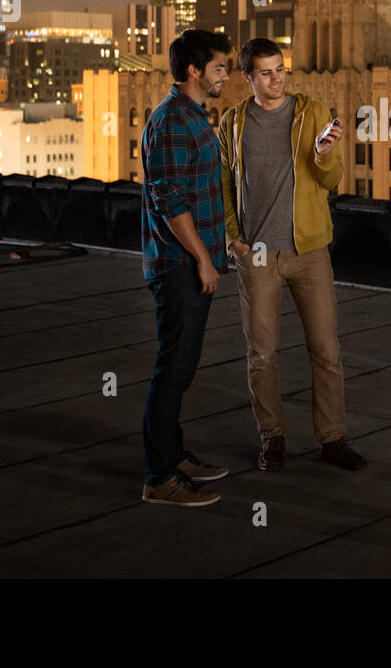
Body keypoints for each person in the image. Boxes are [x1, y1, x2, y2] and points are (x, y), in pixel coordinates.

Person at [218, 38, 367, 472]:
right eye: (266, 72)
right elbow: (224, 186)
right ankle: (273, 438)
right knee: (261, 353)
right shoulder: (233, 122)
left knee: (326, 349)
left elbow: (331, 178)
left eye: (281, 69)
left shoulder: (313, 113)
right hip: (258, 254)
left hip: (309, 250)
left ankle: (333, 440)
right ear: (248, 77)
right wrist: (234, 240)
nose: (276, 78)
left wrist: (322, 154)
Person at [139, 29, 234, 506]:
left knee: (181, 367)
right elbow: (168, 198)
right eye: (220, 67)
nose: (226, 75)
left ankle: (173, 457)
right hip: (180, 265)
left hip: (194, 263)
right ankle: (160, 478)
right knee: (172, 370)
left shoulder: (191, 115)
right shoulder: (174, 120)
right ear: (194, 71)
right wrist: (202, 258)